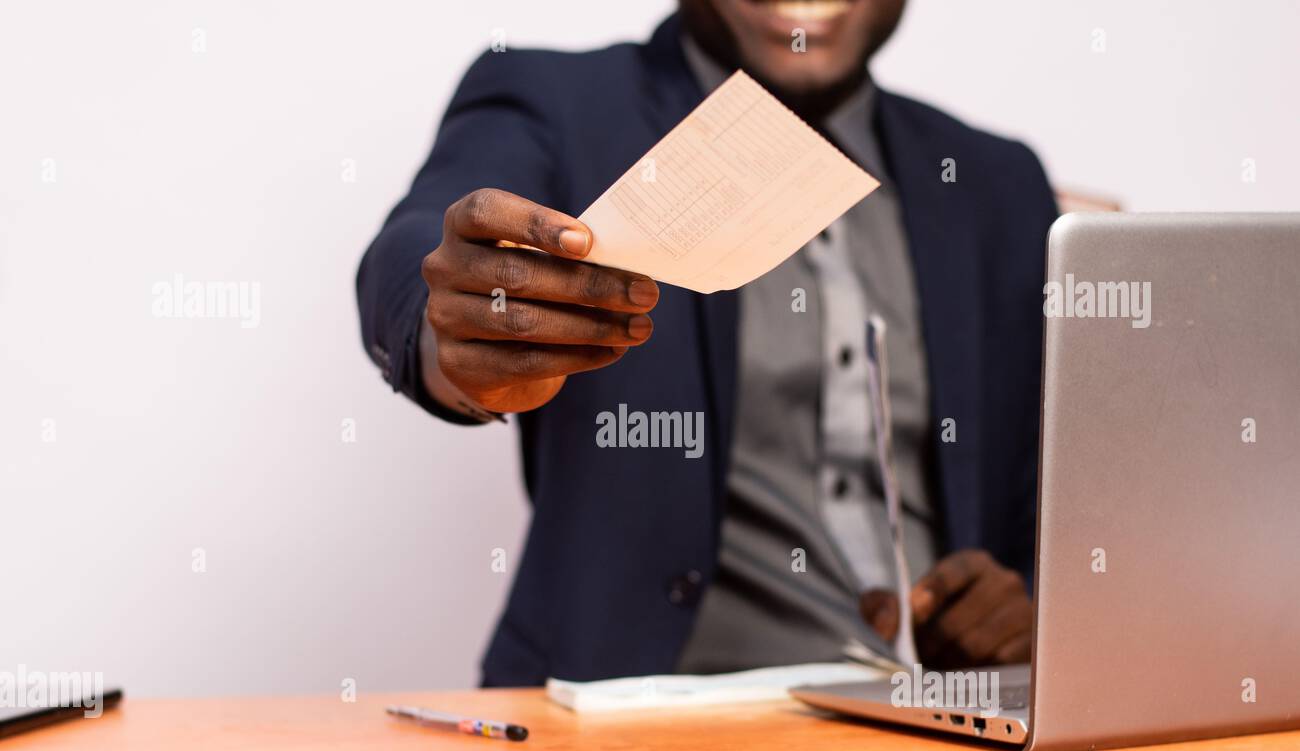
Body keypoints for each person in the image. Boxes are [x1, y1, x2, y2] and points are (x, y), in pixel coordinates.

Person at [356, 1, 1058, 685]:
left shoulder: (998, 180)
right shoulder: (557, 104)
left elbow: (1048, 502)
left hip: (936, 723)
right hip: (635, 721)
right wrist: (452, 330)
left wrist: (1035, 620)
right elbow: (418, 248)